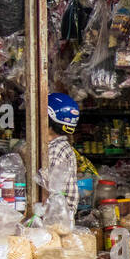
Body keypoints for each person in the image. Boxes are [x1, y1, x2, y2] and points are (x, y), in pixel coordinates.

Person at [45, 93, 81, 221]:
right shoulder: (62, 146)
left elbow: (48, 191)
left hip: (54, 219)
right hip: (62, 218)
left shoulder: (56, 150)